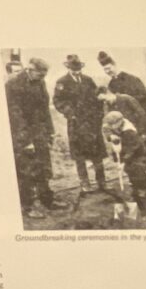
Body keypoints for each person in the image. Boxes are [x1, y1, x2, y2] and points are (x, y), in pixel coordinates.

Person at [5, 56, 56, 217]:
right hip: (23, 134)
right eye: (40, 75)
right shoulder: (13, 84)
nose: (42, 78)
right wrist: (25, 140)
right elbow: (15, 115)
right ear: (30, 70)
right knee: (26, 170)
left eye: (44, 76)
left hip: (39, 131)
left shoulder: (40, 82)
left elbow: (44, 109)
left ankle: (47, 200)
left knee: (44, 166)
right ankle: (28, 206)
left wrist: (50, 131)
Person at [52, 54, 107, 193]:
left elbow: (96, 98)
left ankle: (102, 182)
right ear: (69, 68)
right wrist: (70, 113)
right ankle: (85, 183)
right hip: (76, 123)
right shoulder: (62, 82)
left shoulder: (88, 80)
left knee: (97, 153)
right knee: (79, 155)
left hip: (91, 122)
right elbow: (58, 101)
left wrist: (99, 114)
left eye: (78, 68)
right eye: (73, 68)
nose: (76, 71)